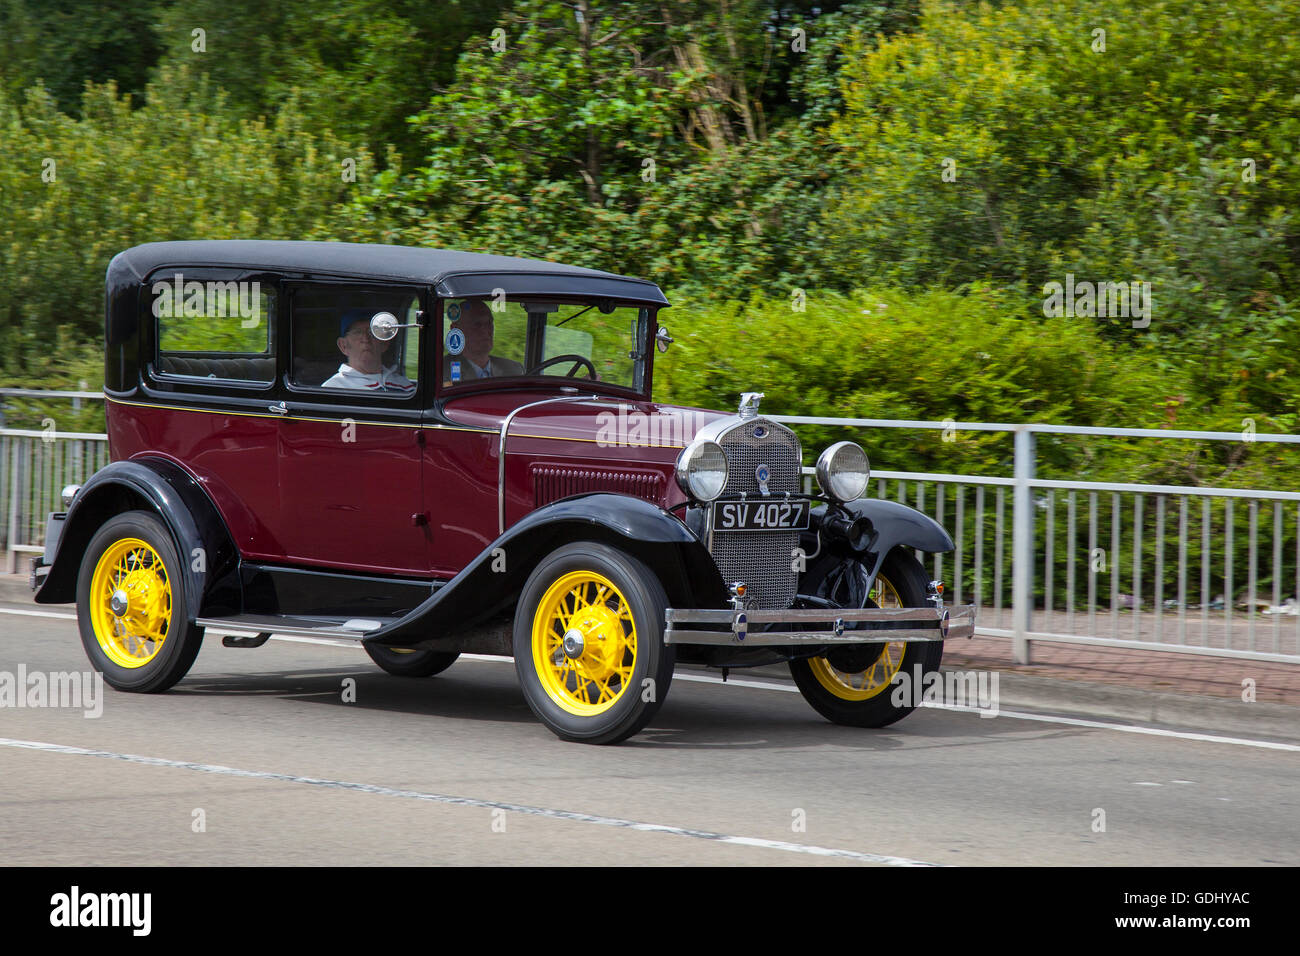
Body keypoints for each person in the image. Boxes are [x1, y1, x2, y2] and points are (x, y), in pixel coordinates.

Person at [322, 308, 416, 392]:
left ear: (384, 343)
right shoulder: (334, 388)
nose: (366, 339)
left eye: (372, 332)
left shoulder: (404, 385)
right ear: (343, 346)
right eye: (357, 332)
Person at [442, 299, 525, 383]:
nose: (486, 330)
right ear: (456, 329)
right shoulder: (442, 372)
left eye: (489, 323)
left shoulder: (514, 370)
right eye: (477, 324)